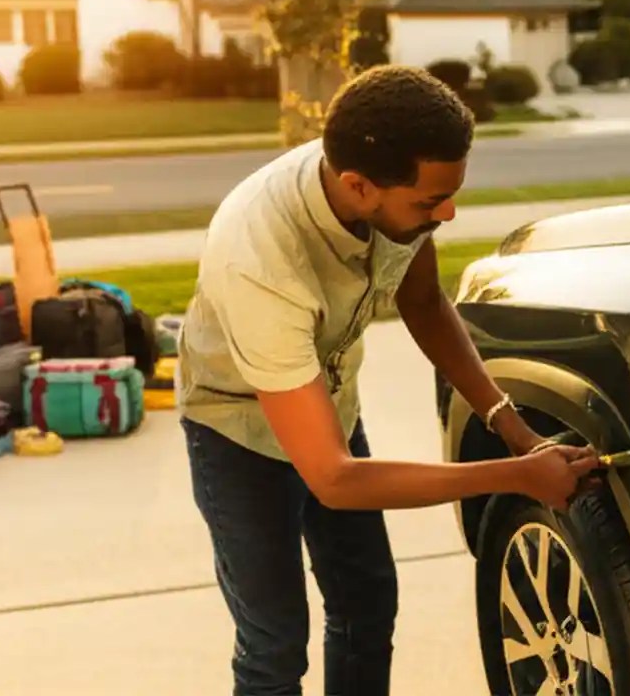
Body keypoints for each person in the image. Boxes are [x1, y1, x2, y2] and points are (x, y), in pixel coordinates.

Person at [176, 64, 599, 696]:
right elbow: (336, 480)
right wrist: (516, 474)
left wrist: (513, 429)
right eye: (430, 202)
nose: (448, 213)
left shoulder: (387, 193)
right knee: (274, 644)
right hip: (236, 430)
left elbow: (424, 302)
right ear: (358, 186)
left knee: (368, 605)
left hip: (327, 406)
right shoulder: (261, 259)